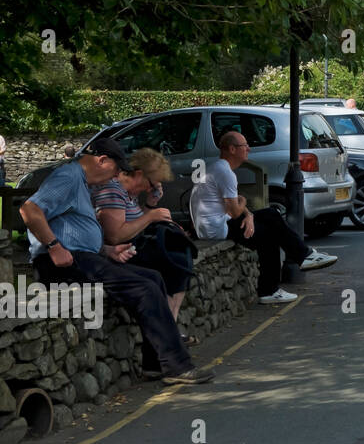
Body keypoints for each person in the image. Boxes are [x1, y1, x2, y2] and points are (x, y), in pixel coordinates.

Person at [19, 138, 213, 384]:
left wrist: (107, 250)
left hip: (83, 257)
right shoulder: (68, 176)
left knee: (152, 277)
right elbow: (29, 210)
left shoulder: (80, 181)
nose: (117, 175)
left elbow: (74, 227)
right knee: (143, 288)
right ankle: (176, 366)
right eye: (115, 169)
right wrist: (54, 246)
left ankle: (154, 365)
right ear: (102, 160)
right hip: (61, 262)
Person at [190, 132, 338, 304]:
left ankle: (303, 257)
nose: (248, 149)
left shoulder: (219, 168)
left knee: (271, 214)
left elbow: (236, 206)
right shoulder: (225, 172)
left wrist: (249, 214)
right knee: (269, 235)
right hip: (216, 229)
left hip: (217, 224)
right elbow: (235, 211)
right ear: (232, 149)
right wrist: (244, 204)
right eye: (244, 145)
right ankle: (273, 287)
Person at [92, 148, 197, 337]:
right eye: (151, 184)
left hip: (136, 245)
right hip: (121, 251)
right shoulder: (113, 191)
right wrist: (151, 216)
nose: (150, 188)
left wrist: (150, 203)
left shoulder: (128, 193)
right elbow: (116, 235)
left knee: (181, 255)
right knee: (177, 261)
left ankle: (169, 327)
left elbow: (132, 221)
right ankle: (169, 329)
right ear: (139, 174)